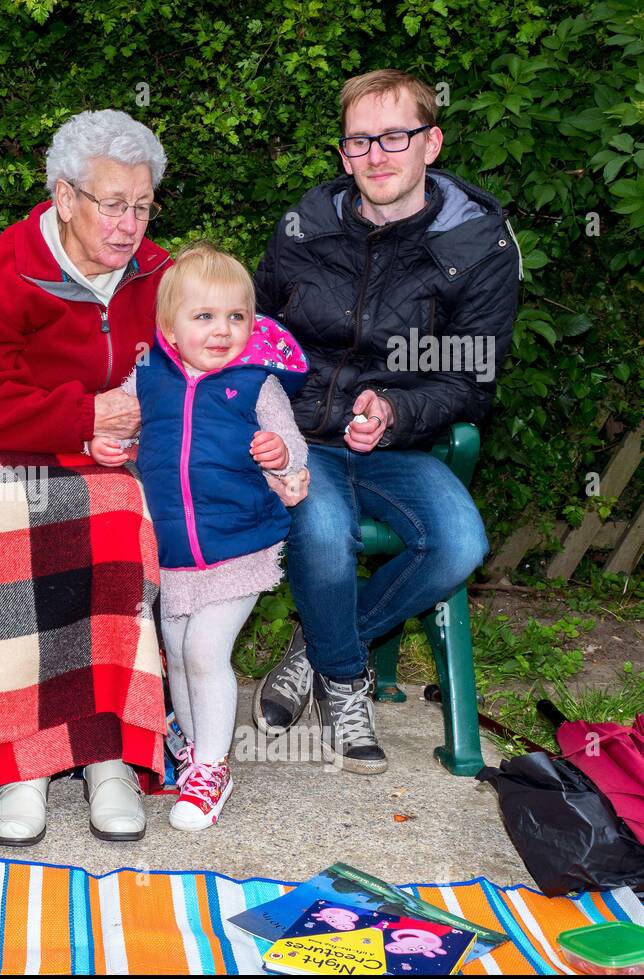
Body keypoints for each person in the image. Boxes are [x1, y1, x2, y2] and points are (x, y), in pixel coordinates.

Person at [251, 69, 520, 773]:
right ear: (343, 154)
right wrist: (274, 421)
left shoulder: (479, 247)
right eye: (360, 140)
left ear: (431, 142)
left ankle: (320, 650)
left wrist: (397, 410)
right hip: (304, 435)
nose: (377, 154)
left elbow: (471, 379)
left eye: (395, 136)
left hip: (397, 445)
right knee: (322, 528)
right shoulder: (302, 229)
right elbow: (250, 339)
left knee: (459, 542)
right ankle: (346, 684)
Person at [0, 109, 170, 845]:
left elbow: (209, 363)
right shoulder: (9, 270)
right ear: (65, 198)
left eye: (142, 205)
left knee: (123, 518)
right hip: (27, 458)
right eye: (113, 204)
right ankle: (22, 760)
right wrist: (79, 419)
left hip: (125, 465)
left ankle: (109, 754)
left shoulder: (160, 274)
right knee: (33, 530)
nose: (130, 225)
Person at [90, 244, 308, 829]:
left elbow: (294, 450)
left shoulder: (256, 384)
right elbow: (119, 428)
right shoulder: (149, 376)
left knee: (206, 651)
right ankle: (189, 747)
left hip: (239, 543)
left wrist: (282, 455)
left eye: (236, 317)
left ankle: (213, 766)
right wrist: (103, 445)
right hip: (172, 550)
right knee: (179, 656)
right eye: (204, 317)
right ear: (168, 326)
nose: (222, 331)